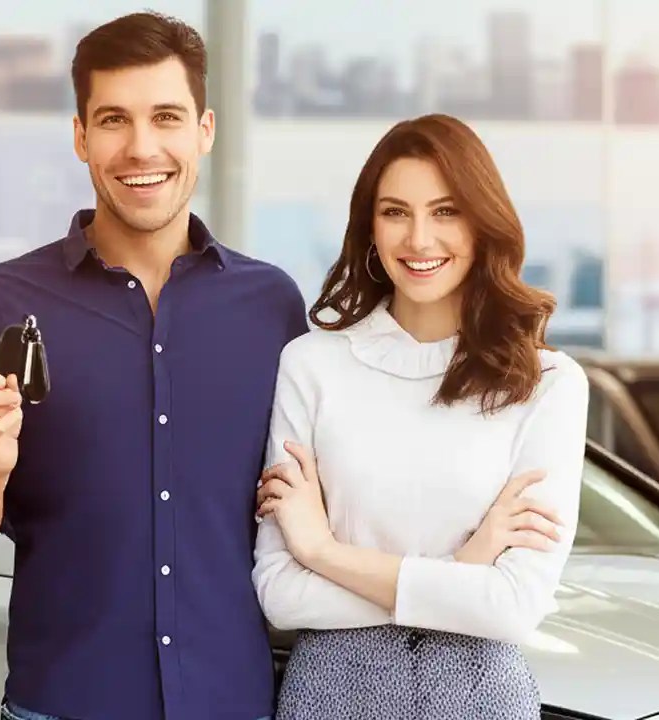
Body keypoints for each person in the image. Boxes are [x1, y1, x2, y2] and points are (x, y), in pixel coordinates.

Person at [0, 12, 307, 720]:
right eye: (115, 119)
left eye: (166, 117)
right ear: (80, 136)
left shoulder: (271, 307)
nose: (141, 146)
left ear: (204, 131)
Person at [252, 113, 590, 719]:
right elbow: (281, 594)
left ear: (481, 223)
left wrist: (324, 553)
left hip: (482, 699)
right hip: (330, 697)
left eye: (445, 211)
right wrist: (463, 575)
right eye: (395, 212)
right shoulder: (312, 365)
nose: (419, 239)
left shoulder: (550, 385)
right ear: (370, 228)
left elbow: (513, 606)